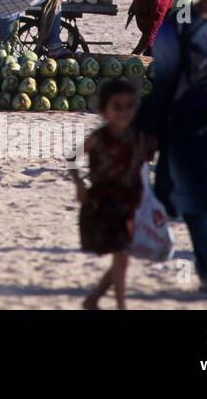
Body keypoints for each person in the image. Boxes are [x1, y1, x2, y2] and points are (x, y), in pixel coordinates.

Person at [139, 0, 207, 295]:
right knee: (199, 203)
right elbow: (164, 83)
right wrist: (152, 131)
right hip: (188, 129)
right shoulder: (179, 25)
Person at [71, 78, 150, 309]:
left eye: (129, 106)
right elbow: (72, 159)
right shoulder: (98, 137)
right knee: (121, 256)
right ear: (104, 110)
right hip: (103, 204)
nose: (124, 112)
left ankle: (93, 298)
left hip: (129, 202)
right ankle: (120, 305)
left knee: (122, 257)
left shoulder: (137, 137)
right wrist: (79, 185)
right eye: (117, 107)